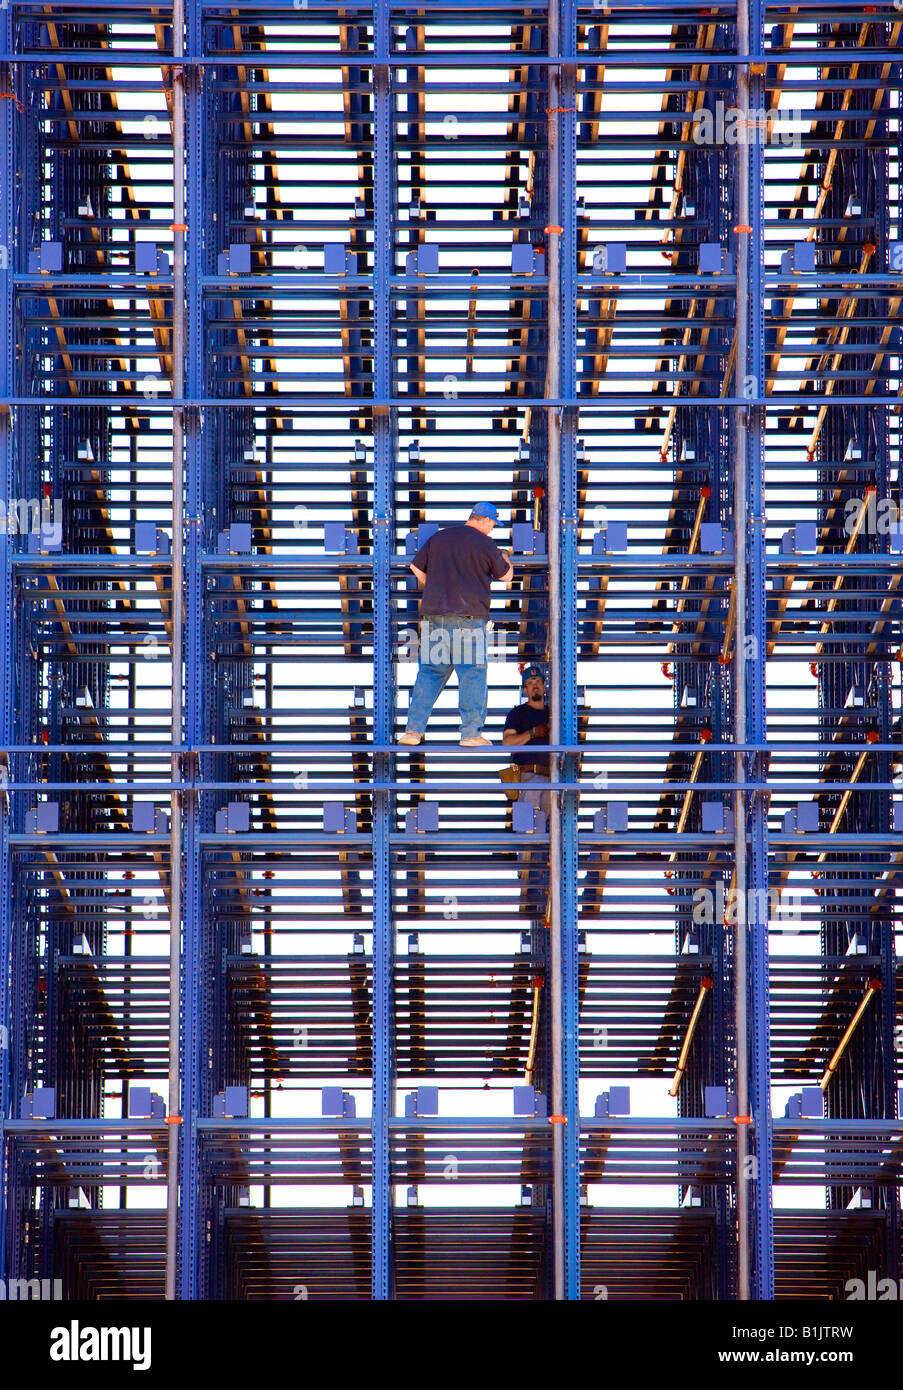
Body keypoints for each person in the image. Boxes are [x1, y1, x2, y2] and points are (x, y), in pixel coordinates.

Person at [399, 503, 513, 746]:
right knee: (472, 674)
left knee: (429, 674)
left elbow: (415, 567)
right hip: (468, 620)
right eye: (492, 524)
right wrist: (506, 557)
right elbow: (506, 576)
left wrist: (434, 583)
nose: (492, 529)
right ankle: (471, 733)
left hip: (433, 619)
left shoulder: (440, 538)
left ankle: (412, 732)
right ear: (484, 520)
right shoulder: (485, 544)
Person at [502, 664, 550, 815]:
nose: (534, 686)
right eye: (529, 683)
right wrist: (533, 732)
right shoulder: (517, 713)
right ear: (525, 690)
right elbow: (507, 742)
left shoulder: (554, 714)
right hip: (528, 777)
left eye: (537, 682)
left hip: (552, 777)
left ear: (544, 686)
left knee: (551, 829)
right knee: (528, 827)